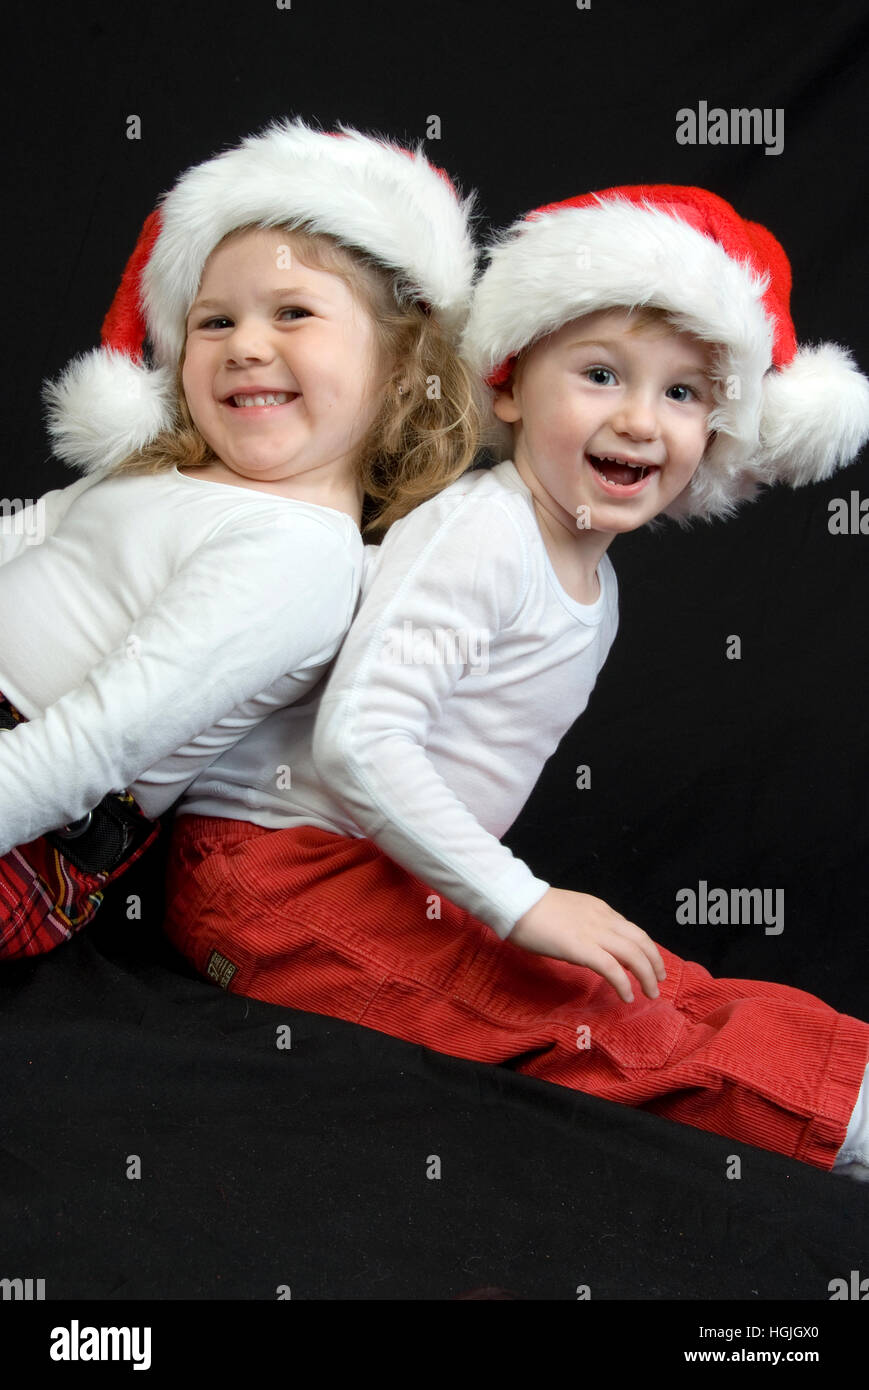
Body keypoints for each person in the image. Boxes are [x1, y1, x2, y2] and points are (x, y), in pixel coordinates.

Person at [162, 184, 869, 1177]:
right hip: (274, 874)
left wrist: (504, 911)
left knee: (646, 979)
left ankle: (845, 1068)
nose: (637, 418)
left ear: (716, 430)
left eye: (681, 393)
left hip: (386, 871)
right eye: (597, 373)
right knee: (579, 1022)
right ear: (506, 385)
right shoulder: (480, 532)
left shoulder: (595, 581)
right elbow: (359, 737)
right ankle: (836, 1118)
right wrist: (518, 904)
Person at [0, 118, 478, 958]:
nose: (246, 346)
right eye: (213, 323)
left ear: (401, 365)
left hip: (28, 815)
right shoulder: (159, 473)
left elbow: (101, 741)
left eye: (293, 313)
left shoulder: (297, 553)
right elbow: (30, 531)